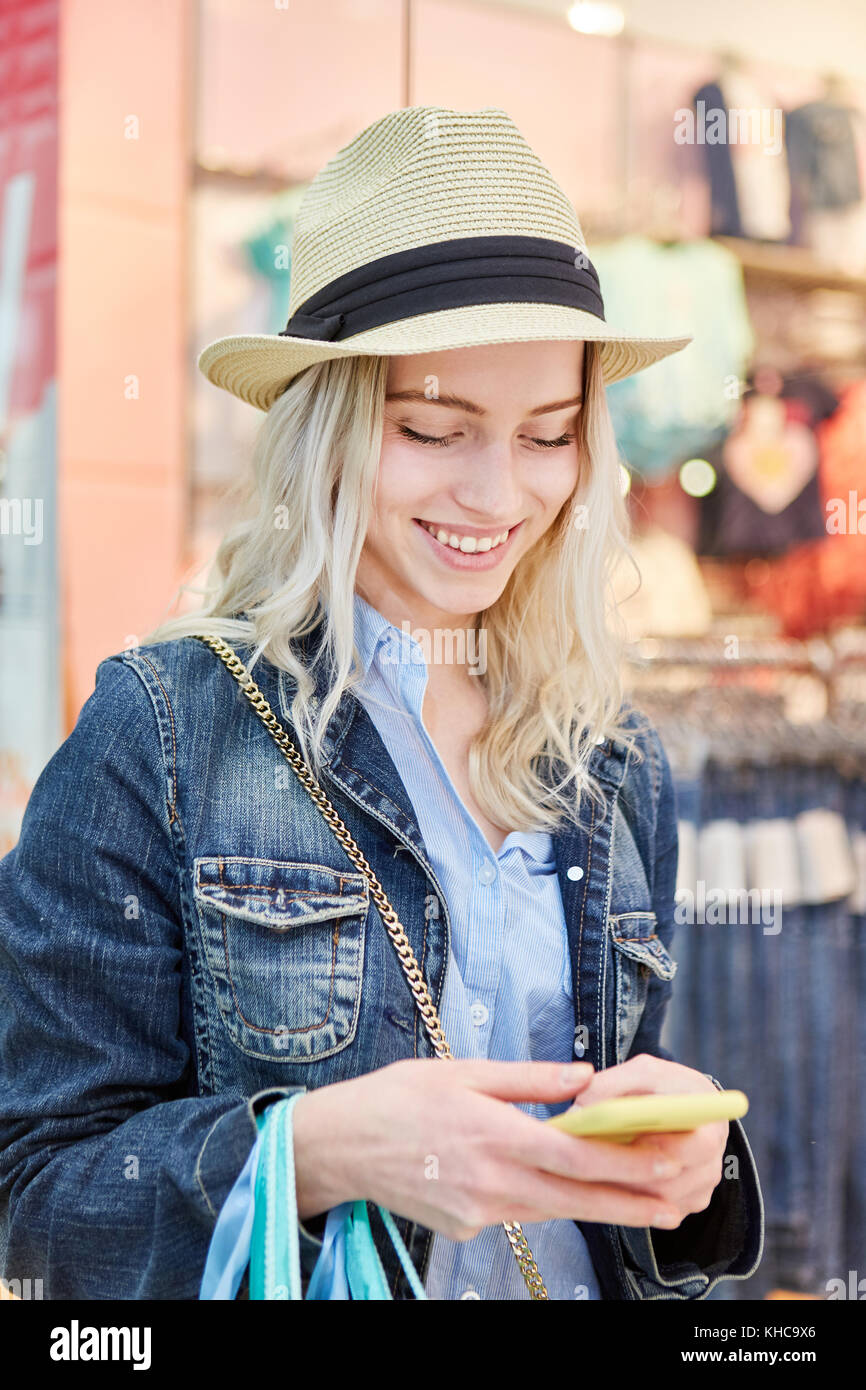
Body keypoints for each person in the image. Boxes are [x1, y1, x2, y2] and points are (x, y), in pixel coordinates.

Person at [0, 105, 762, 1300]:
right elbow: (36, 1204)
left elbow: (604, 1155)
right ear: (331, 429)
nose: (497, 492)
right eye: (432, 429)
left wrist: (673, 1179)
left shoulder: (607, 755)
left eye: (547, 435)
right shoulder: (164, 734)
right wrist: (308, 1156)